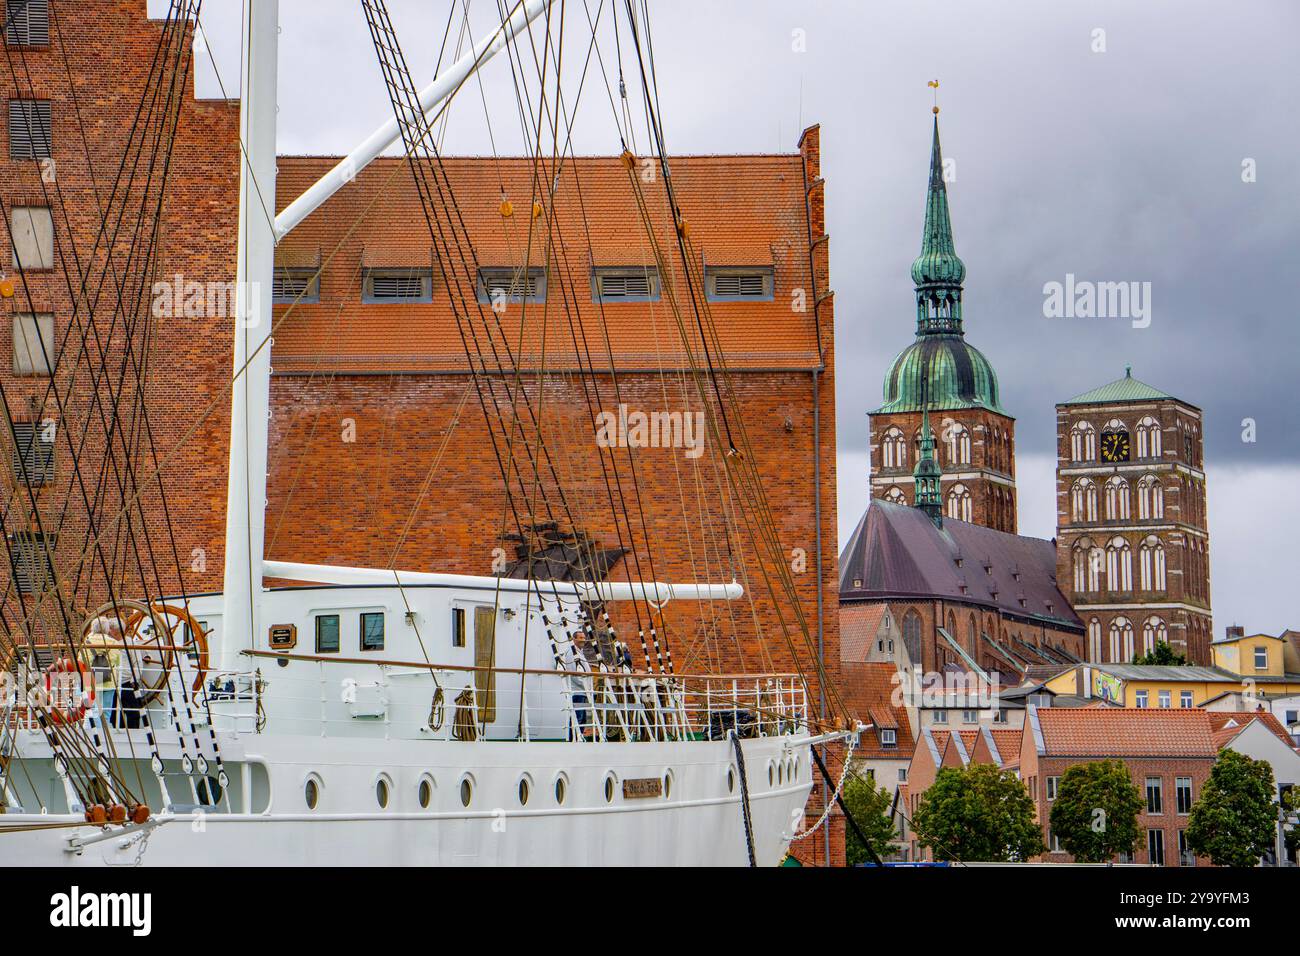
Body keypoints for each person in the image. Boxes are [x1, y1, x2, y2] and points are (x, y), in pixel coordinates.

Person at [81, 616, 122, 728]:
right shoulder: (113, 643)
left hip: (91, 681)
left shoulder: (87, 642)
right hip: (109, 681)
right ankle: (105, 733)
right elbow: (117, 661)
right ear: (107, 629)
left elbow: (80, 661)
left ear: (93, 628)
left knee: (93, 711)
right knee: (106, 712)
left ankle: (97, 735)